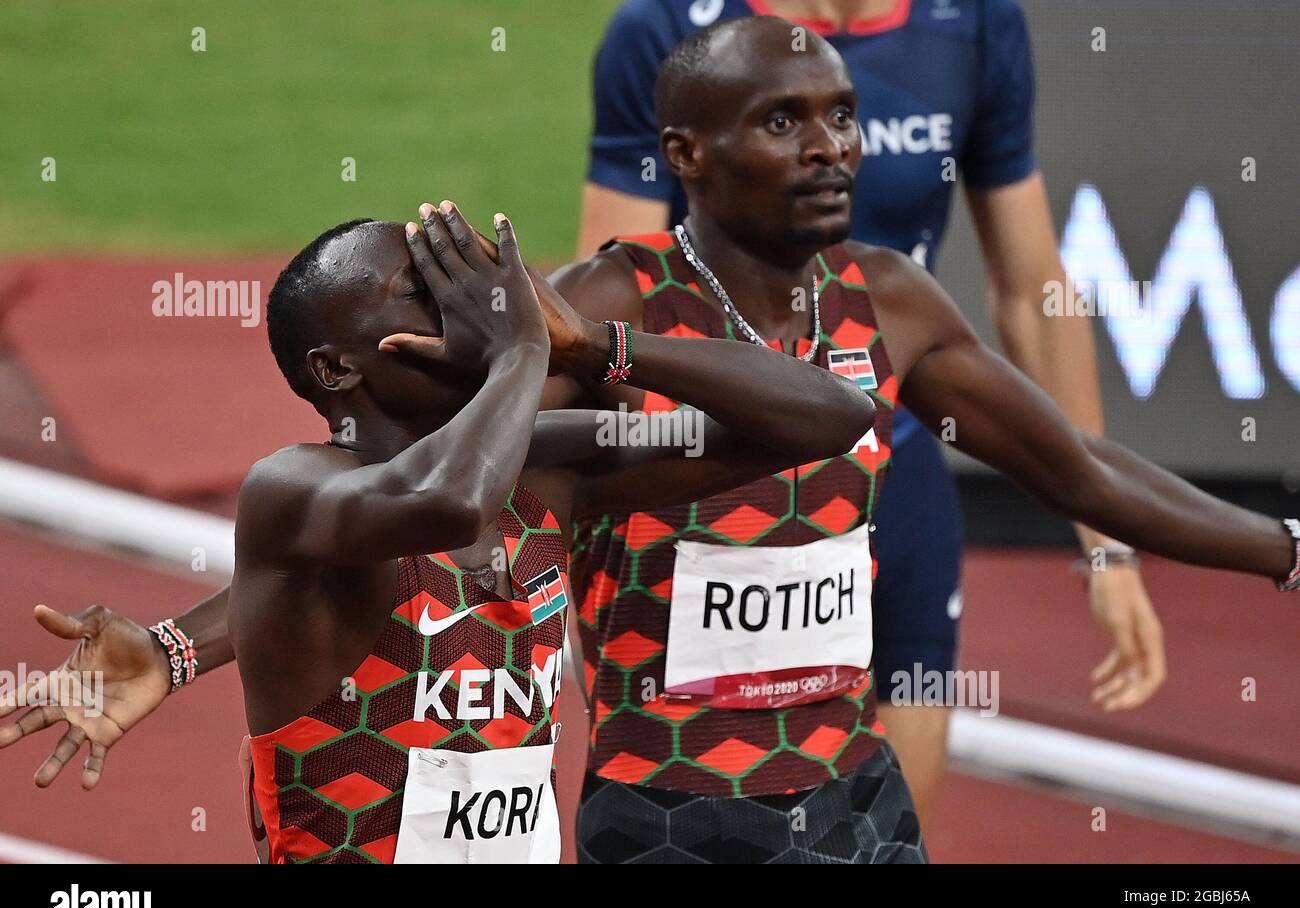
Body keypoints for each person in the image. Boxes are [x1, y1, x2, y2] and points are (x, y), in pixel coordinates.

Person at [5, 19, 1299, 865]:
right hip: (665, 807)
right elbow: (398, 519)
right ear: (687, 155)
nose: (832, 146)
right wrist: (547, 343)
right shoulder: (518, 374)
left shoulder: (786, 335)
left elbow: (847, 419)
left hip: (843, 785)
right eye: (787, 122)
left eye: (841, 116)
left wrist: (1281, 547)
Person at [0, 199, 879, 864]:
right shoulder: (295, 489)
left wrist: (599, 346)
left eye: (461, 285)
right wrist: (524, 349)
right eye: (420, 294)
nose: (468, 309)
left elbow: (828, 417)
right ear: (337, 365)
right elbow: (447, 499)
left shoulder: (547, 470)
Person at [576, 0, 1168, 824]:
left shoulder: (976, 23)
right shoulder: (667, 27)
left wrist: (1107, 547)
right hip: (710, 485)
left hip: (898, 466)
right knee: (700, 812)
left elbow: (1033, 293)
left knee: (893, 823)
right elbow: (609, 319)